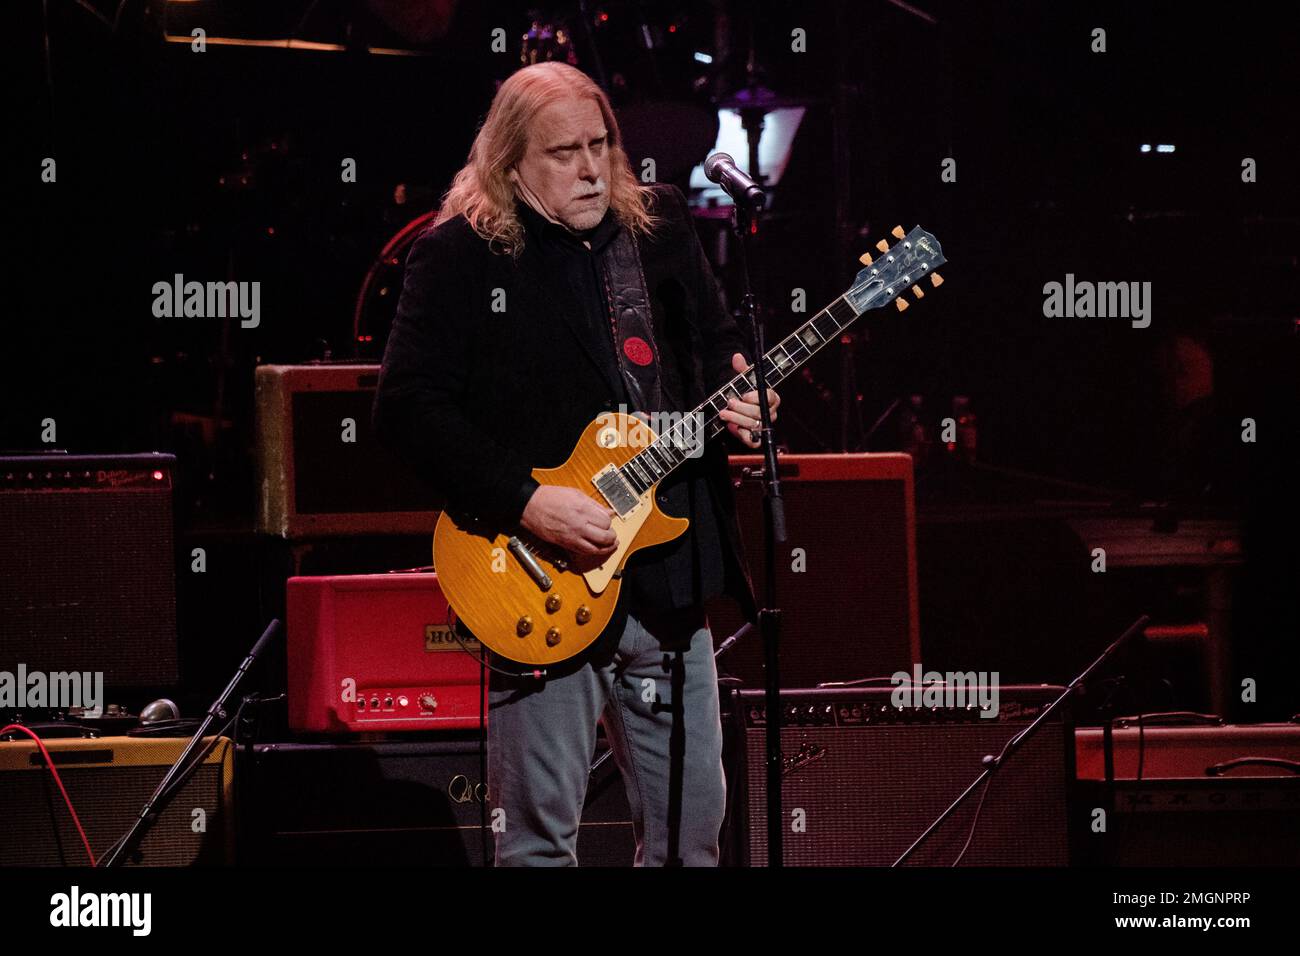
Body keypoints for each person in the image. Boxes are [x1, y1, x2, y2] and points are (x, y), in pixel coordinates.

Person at [372, 61, 779, 866]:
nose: (592, 167)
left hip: (670, 581)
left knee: (691, 841)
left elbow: (718, 339)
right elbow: (407, 410)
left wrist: (747, 399)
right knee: (538, 849)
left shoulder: (658, 229)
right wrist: (527, 501)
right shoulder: (461, 256)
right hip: (542, 576)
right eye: (565, 151)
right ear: (510, 160)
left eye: (601, 144)